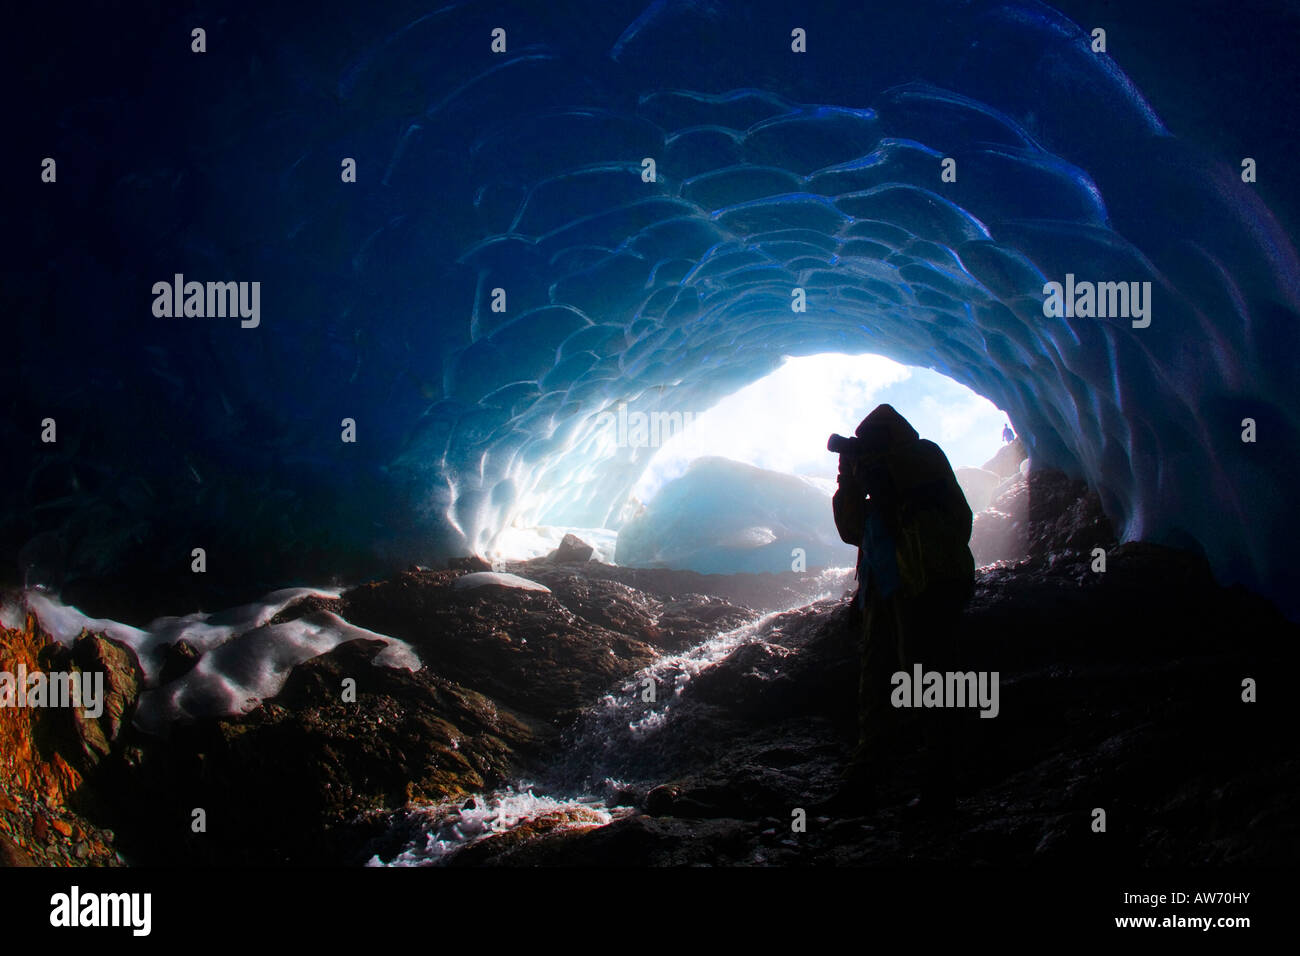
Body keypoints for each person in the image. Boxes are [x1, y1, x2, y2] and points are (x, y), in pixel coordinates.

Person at [830, 404, 975, 815]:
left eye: (872, 441)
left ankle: (939, 789)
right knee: (875, 691)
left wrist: (876, 466)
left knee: (930, 684)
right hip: (884, 594)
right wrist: (848, 480)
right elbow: (851, 531)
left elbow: (944, 510)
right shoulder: (872, 482)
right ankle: (863, 784)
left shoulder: (923, 455)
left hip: (927, 587)